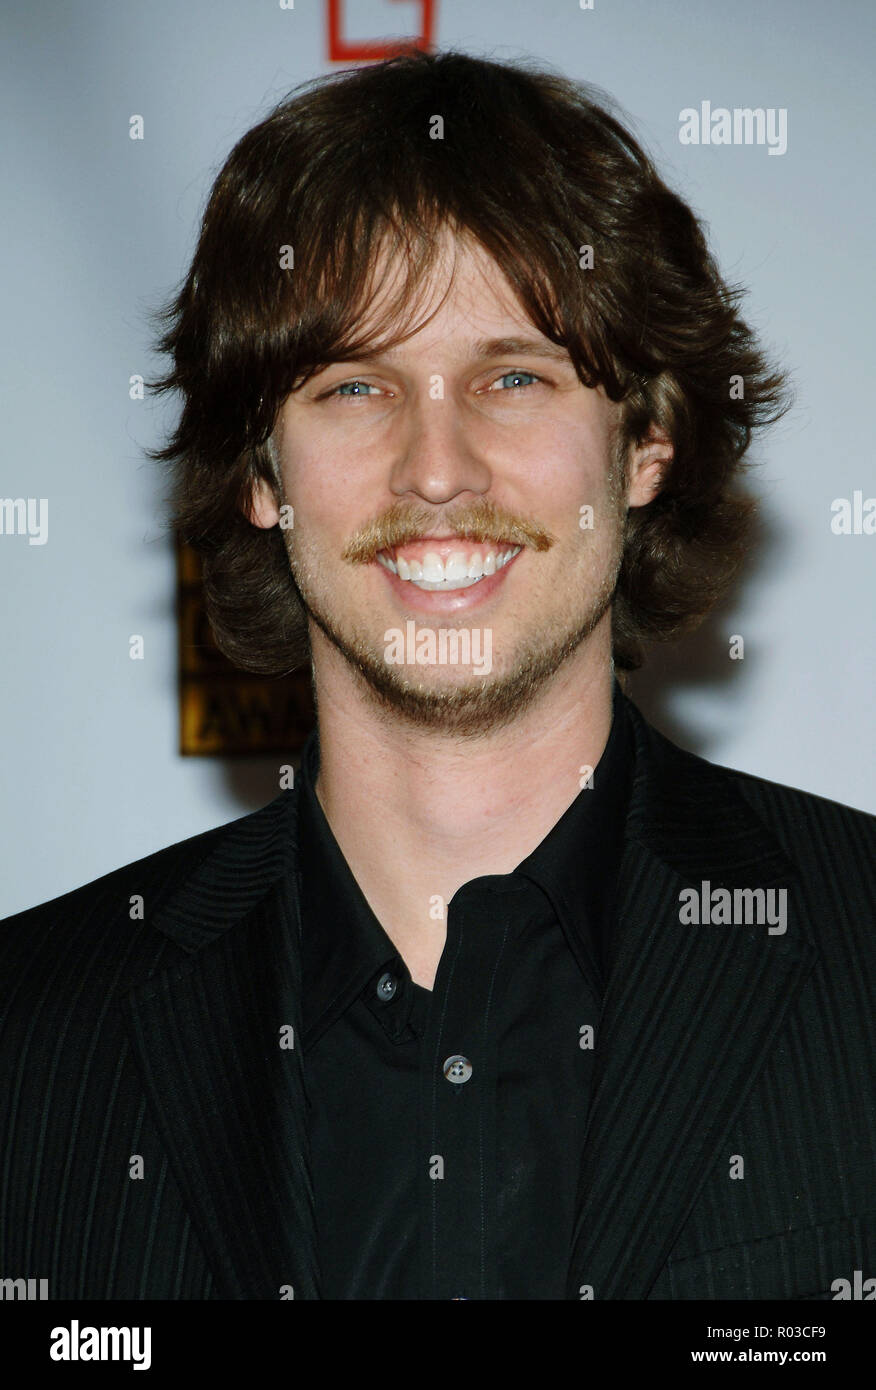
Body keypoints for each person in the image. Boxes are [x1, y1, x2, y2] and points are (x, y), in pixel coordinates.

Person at [1, 49, 873, 1302]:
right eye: (355, 385)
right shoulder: (32, 1037)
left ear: (646, 444)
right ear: (262, 478)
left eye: (513, 376)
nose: (436, 468)